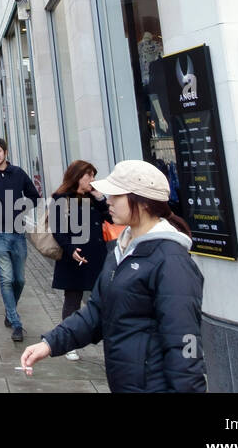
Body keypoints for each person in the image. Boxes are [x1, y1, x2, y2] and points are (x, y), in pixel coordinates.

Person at [21, 159, 207, 392]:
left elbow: (184, 348)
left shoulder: (172, 261)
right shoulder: (122, 251)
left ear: (143, 202)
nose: (108, 200)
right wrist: (50, 344)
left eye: (116, 196)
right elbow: (97, 312)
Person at [0, 136, 39, 342]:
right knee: (6, 279)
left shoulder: (18, 173)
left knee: (19, 279)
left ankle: (9, 311)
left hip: (18, 233)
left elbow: (34, 197)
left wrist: (19, 208)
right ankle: (16, 323)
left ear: (5, 152)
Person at [49, 160, 109, 361]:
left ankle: (107, 337)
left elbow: (111, 217)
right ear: (77, 177)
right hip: (75, 256)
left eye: (93, 176)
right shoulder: (62, 198)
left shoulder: (93, 198)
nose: (92, 180)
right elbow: (57, 229)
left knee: (104, 297)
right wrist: (70, 249)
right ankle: (69, 343)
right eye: (88, 176)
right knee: (73, 300)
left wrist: (100, 198)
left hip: (98, 255)